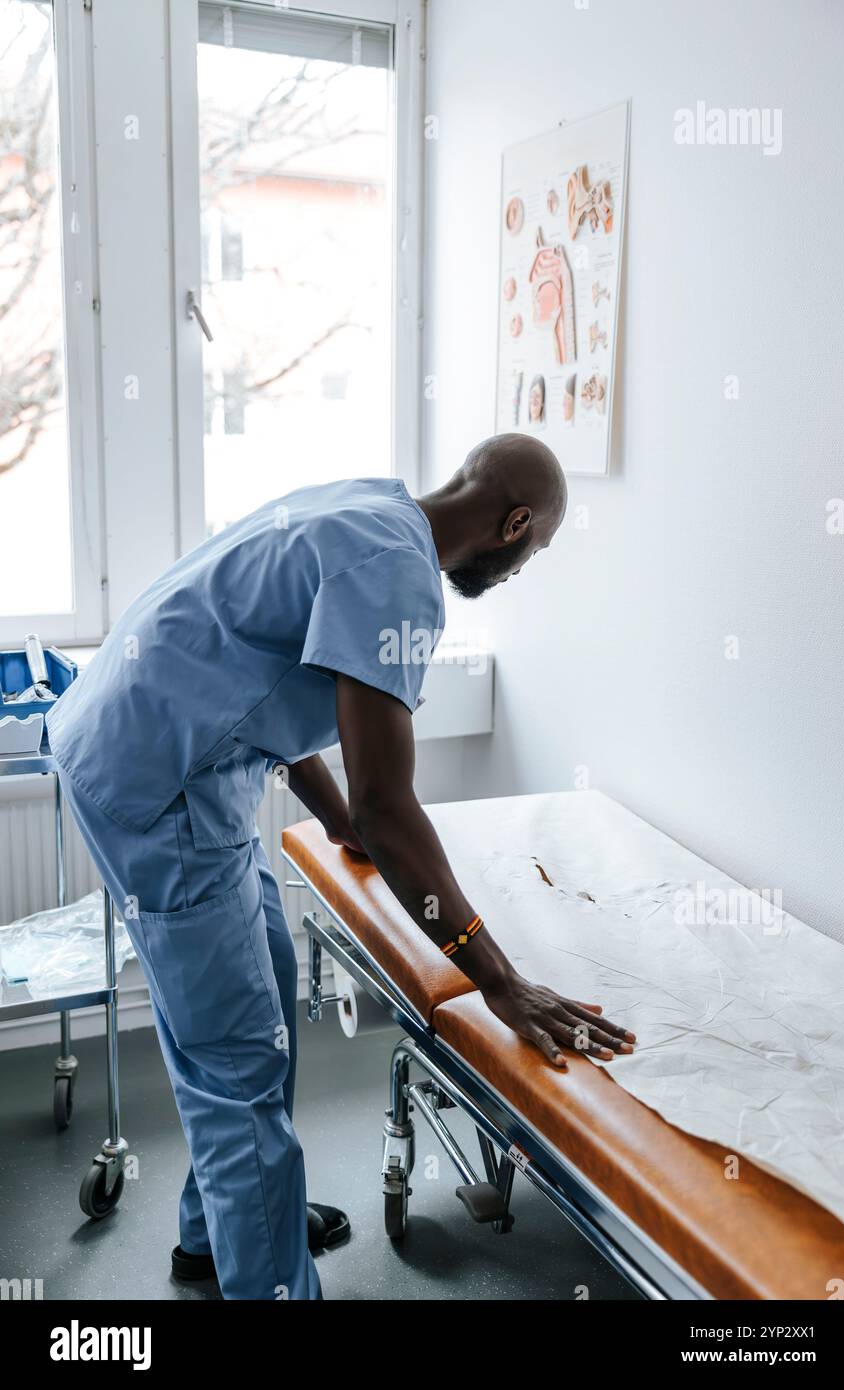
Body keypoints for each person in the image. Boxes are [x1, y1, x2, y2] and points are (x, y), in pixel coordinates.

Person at [47, 431, 635, 1301]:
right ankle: (270, 1281)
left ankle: (221, 1233)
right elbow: (387, 806)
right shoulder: (399, 581)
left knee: (265, 981)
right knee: (237, 1064)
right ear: (513, 524)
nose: (519, 572)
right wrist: (498, 981)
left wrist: (343, 826)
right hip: (159, 787)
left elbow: (272, 686)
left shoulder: (372, 507)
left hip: (168, 756)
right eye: (533, 552)